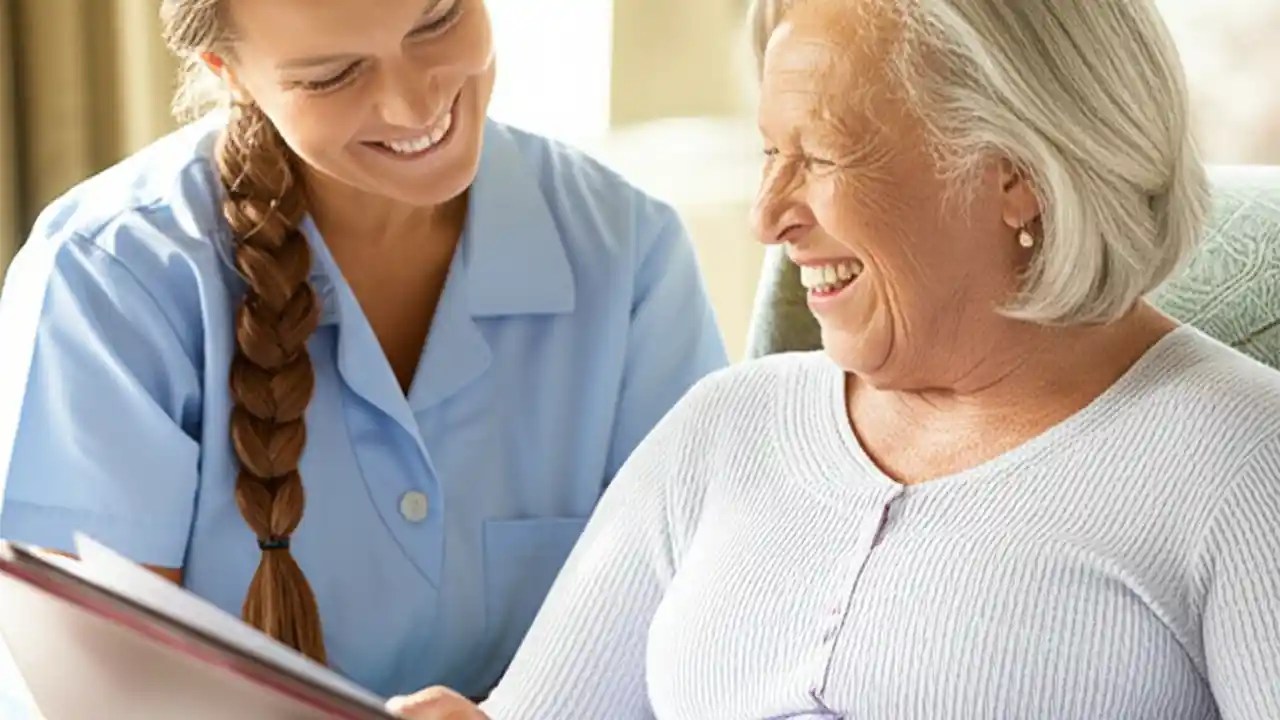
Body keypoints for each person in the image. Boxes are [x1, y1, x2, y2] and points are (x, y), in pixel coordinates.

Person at [388, 0, 1280, 717]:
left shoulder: (1243, 464)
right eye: (771, 152)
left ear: (1015, 170)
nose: (768, 216)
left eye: (821, 156)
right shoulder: (729, 425)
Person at [0, 0, 727, 707]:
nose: (414, 106)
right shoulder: (113, 280)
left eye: (437, 21)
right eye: (331, 75)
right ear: (228, 71)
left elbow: (700, 652)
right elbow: (99, 691)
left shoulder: (629, 257)